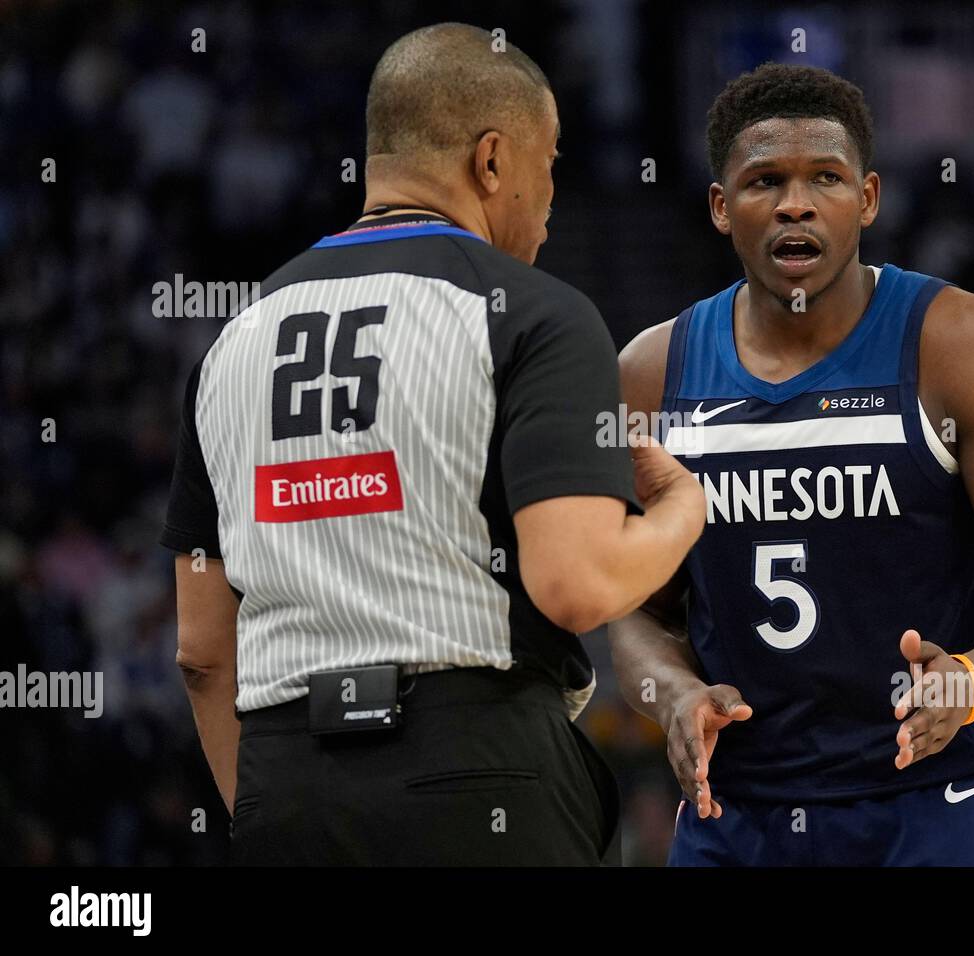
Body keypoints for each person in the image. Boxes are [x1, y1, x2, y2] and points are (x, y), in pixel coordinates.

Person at [159, 23, 704, 866]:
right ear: (492, 162)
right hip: (478, 774)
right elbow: (577, 583)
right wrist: (681, 512)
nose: (553, 204)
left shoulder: (232, 339)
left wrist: (267, 811)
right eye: (548, 163)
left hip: (285, 783)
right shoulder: (535, 314)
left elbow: (200, 651)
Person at [610, 63, 974, 866]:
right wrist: (676, 695)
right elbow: (636, 611)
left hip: (936, 804)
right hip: (739, 810)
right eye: (765, 180)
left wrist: (972, 681)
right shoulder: (652, 371)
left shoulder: (964, 344)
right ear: (722, 209)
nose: (795, 202)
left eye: (824, 178)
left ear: (866, 199)